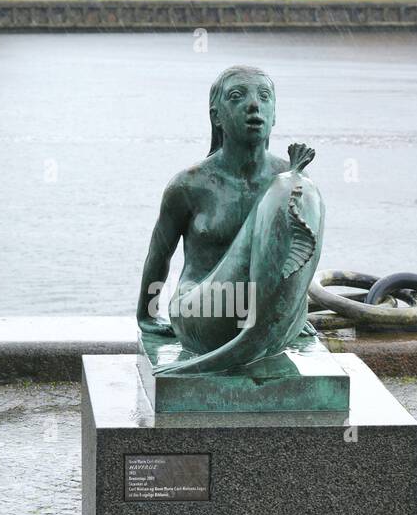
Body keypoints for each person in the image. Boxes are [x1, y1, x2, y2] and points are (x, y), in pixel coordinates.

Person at [136, 66, 323, 377]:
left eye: (264, 97)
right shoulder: (189, 185)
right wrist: (147, 313)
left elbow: (297, 252)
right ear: (217, 116)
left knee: (300, 189)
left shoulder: (288, 179)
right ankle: (251, 338)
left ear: (274, 114)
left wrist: (291, 311)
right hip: (203, 314)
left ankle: (267, 326)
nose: (254, 105)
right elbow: (159, 254)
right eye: (237, 97)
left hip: (269, 320)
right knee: (288, 190)